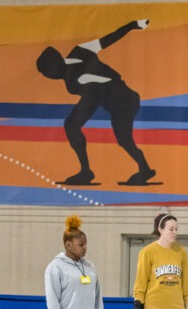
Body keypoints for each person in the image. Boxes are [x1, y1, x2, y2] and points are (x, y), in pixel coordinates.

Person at [37, 19, 158, 187]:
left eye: (48, 73)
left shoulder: (80, 56)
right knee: (71, 125)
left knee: (124, 139)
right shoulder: (73, 73)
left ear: (55, 68)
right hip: (98, 97)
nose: (49, 76)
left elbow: (107, 42)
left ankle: (144, 169)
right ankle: (86, 171)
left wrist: (131, 25)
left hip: (123, 99)